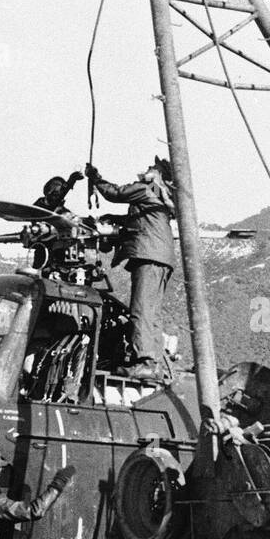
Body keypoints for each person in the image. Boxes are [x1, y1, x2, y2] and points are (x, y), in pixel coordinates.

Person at [86, 157, 177, 380]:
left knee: (141, 310)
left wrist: (95, 178)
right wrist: (114, 219)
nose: (145, 169)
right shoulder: (158, 198)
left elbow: (115, 193)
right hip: (160, 257)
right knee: (151, 312)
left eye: (151, 168)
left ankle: (145, 361)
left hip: (149, 255)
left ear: (158, 174)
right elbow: (140, 220)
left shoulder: (145, 190)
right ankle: (153, 362)